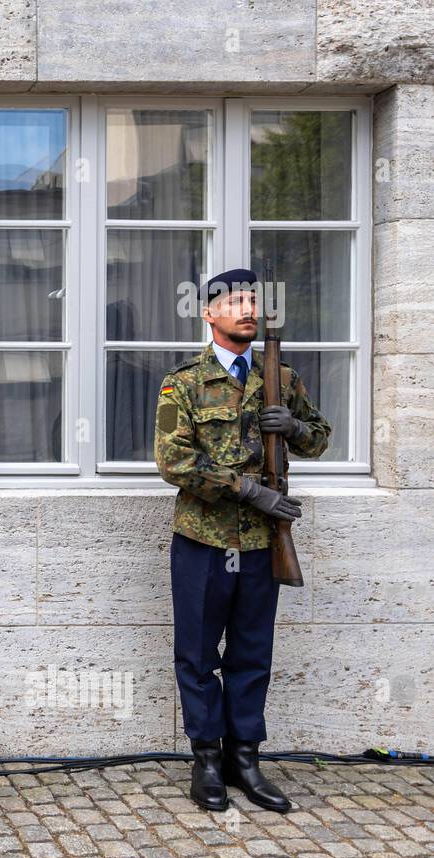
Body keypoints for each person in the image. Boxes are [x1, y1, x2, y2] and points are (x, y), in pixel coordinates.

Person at [153, 268, 331, 814]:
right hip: (204, 541)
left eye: (253, 301)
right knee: (199, 655)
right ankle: (206, 759)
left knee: (253, 654)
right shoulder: (183, 382)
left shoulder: (280, 376)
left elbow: (320, 438)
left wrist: (296, 430)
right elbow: (173, 460)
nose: (248, 309)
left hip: (261, 543)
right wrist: (249, 491)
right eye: (235, 302)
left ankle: (245, 759)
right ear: (209, 313)